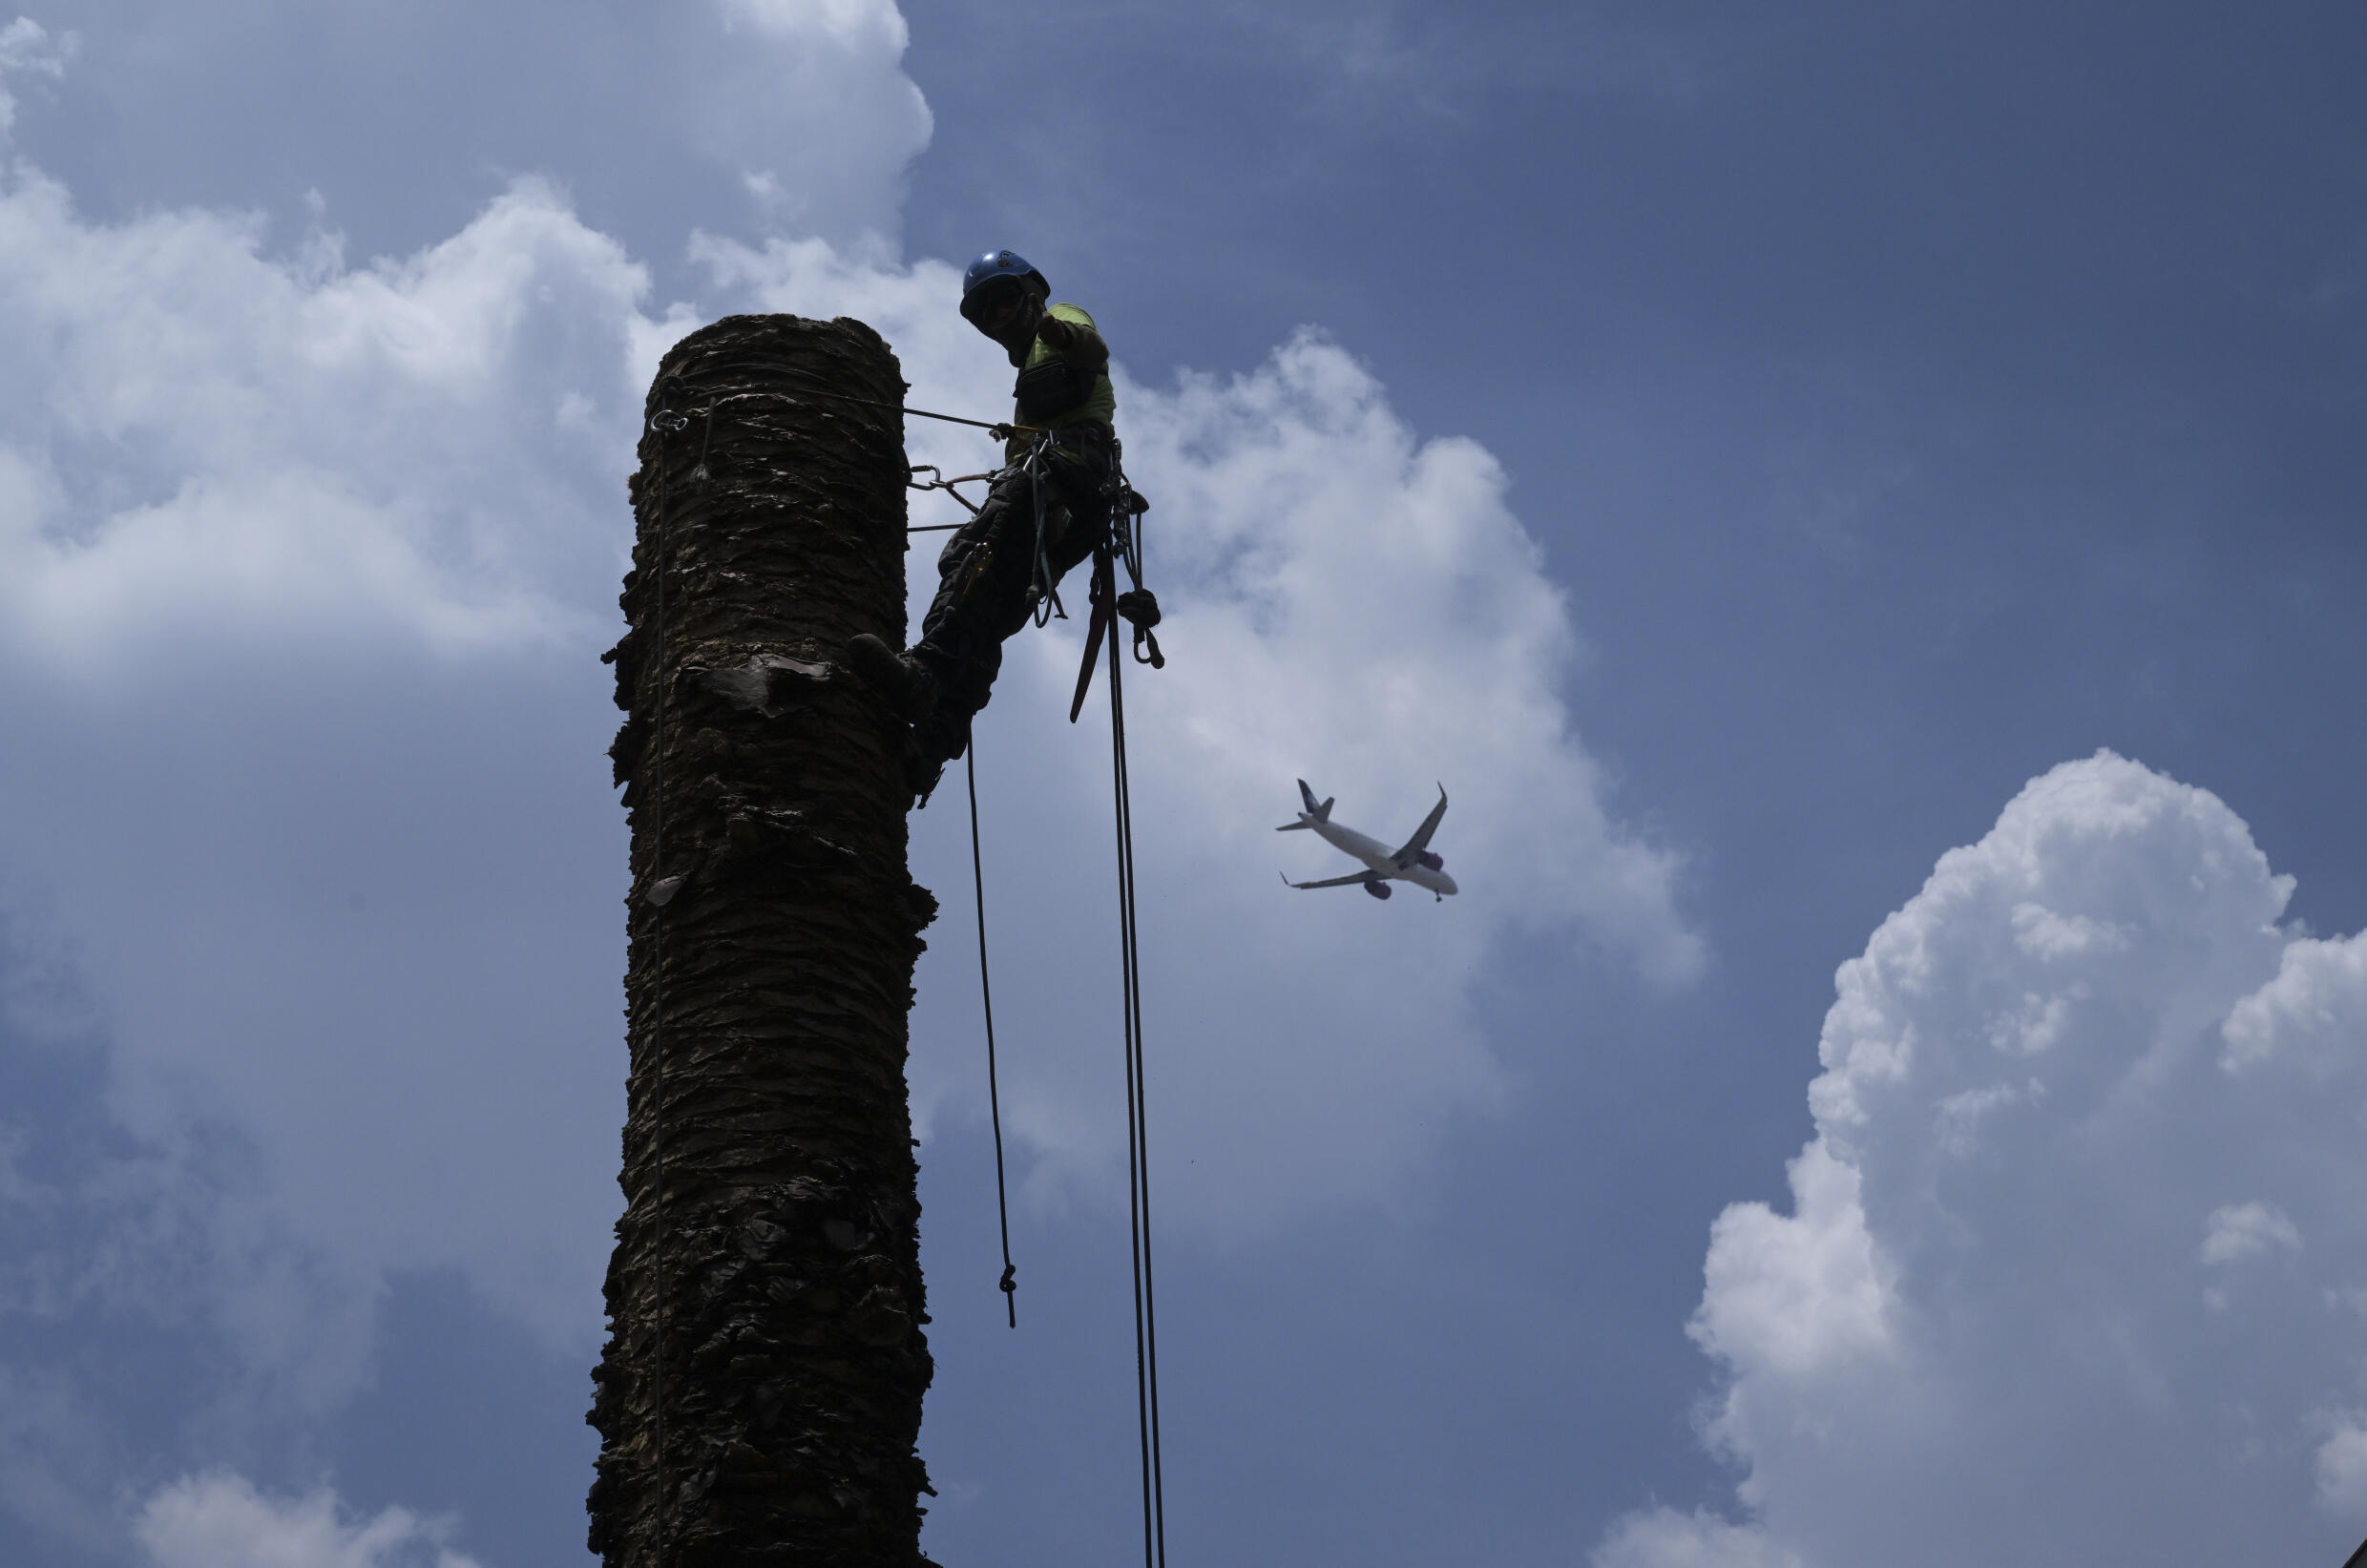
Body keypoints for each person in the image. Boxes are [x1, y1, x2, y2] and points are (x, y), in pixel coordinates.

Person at [848, 249, 1120, 800]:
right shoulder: (1028, 372)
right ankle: (929, 749)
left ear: (1032, 293)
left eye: (1005, 303)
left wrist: (1049, 325)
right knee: (991, 615)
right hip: (1073, 492)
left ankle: (925, 670)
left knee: (974, 552)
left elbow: (1090, 347)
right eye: (986, 314)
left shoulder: (1063, 319)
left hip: (1066, 475)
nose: (998, 319)